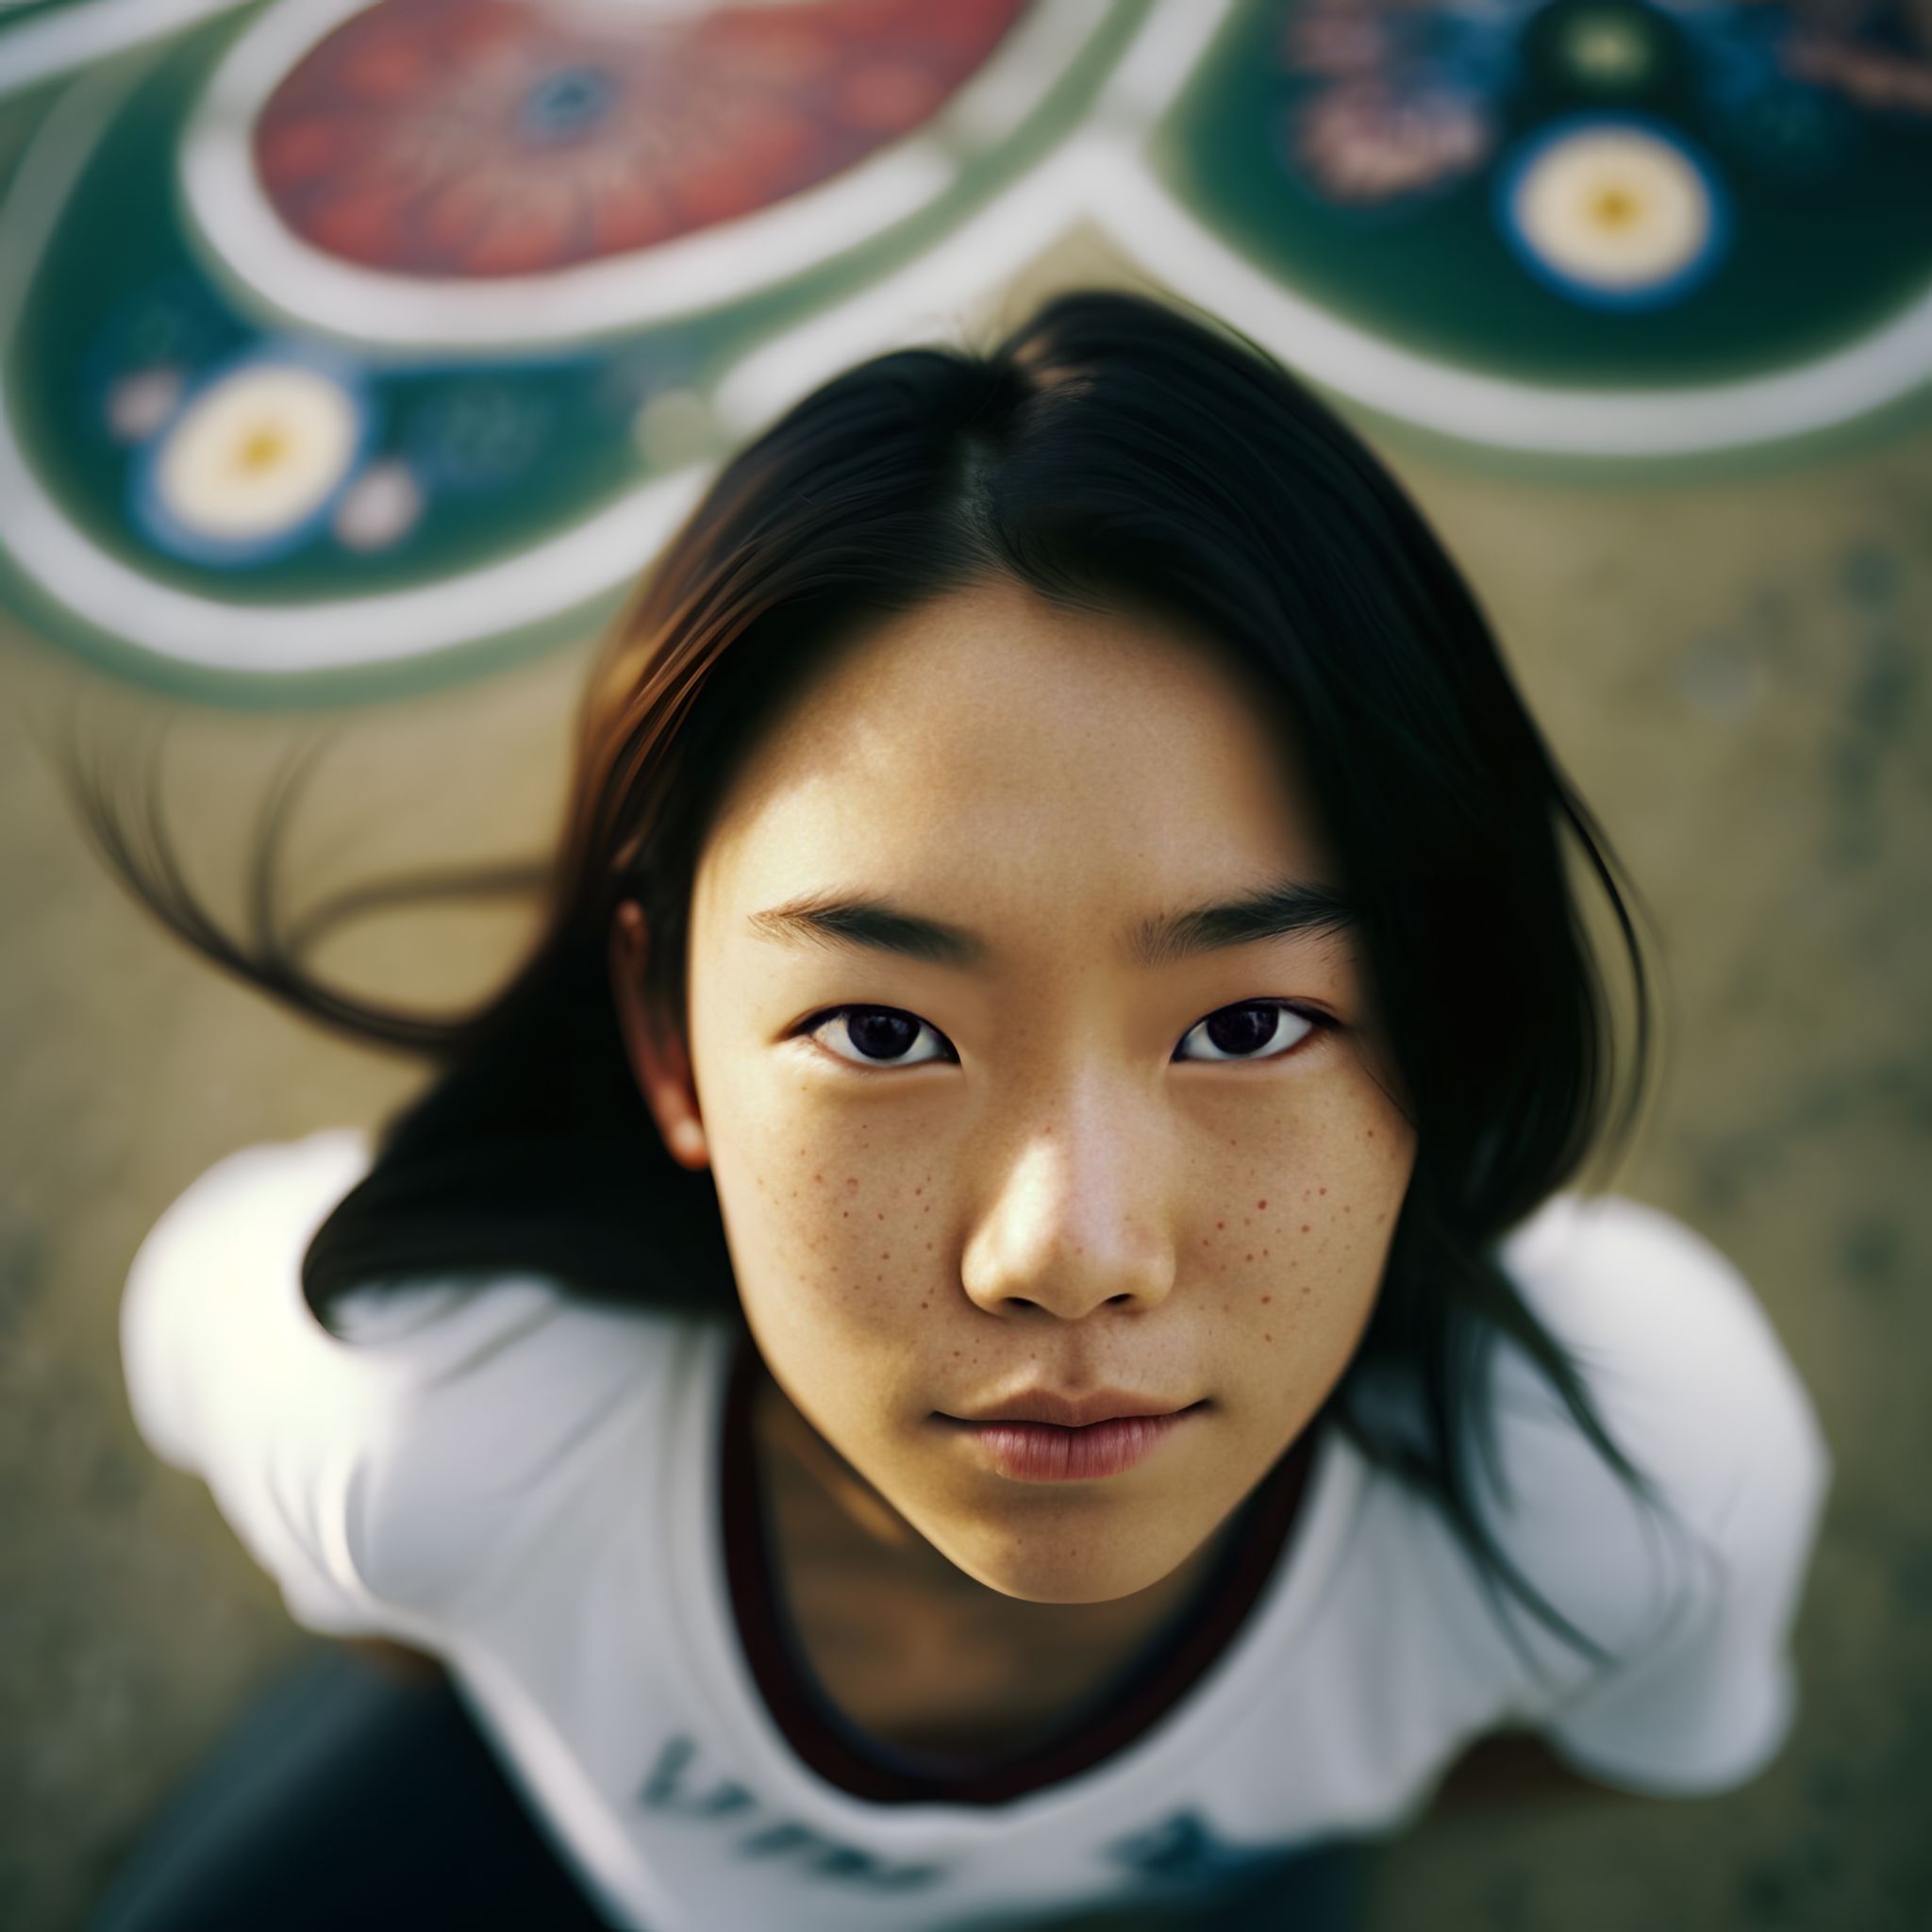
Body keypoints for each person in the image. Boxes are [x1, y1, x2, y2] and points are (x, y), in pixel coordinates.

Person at [75, 290, 1831, 1932]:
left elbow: (1594, 1744)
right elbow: (256, 1394)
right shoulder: (429, 1429)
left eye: (1251, 1024)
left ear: (1444, 1027)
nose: (1070, 1254)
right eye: (882, 1030)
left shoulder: (1623, 1487)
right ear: (667, 1036)